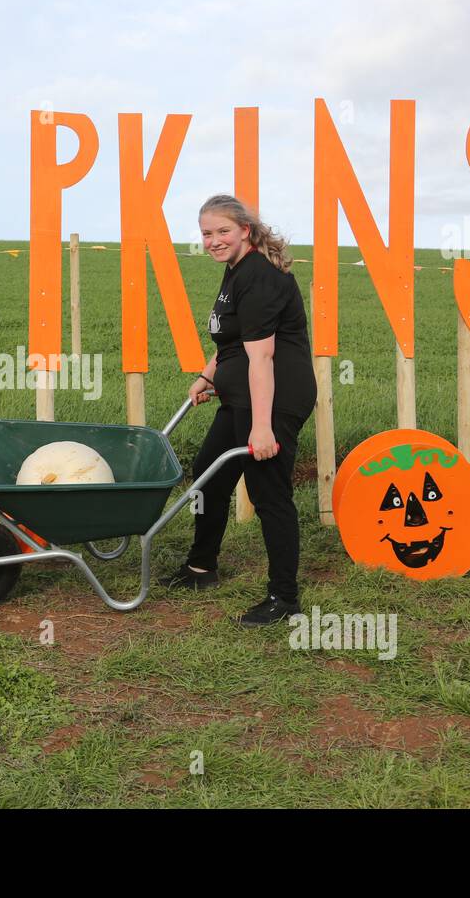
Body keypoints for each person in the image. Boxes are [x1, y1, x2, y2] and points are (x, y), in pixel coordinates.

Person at [163, 194, 318, 627]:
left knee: (269, 493)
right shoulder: (236, 270)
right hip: (241, 395)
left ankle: (284, 598)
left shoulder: (260, 277)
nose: (213, 240)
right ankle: (201, 567)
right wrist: (208, 375)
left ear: (245, 231)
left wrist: (263, 427)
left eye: (222, 231)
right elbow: (233, 339)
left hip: (273, 398)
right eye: (206, 233)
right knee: (208, 476)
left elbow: (262, 357)